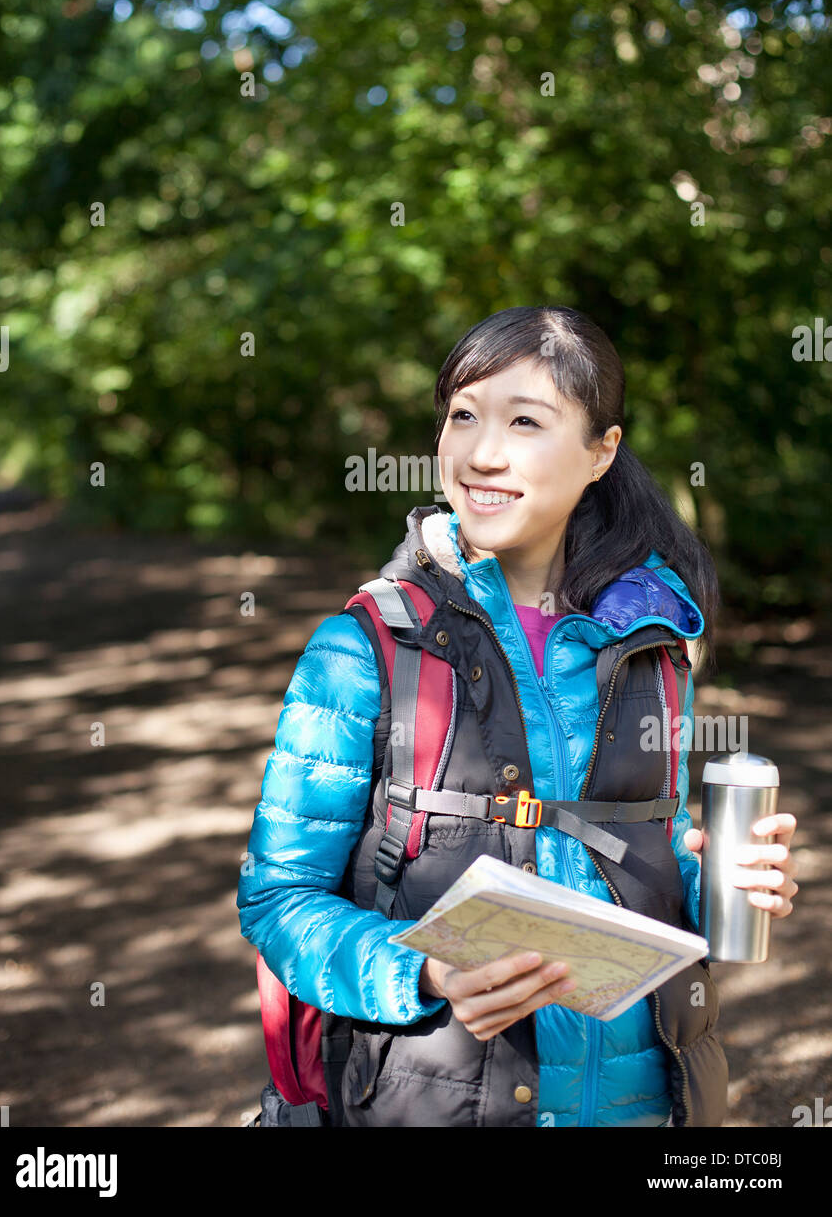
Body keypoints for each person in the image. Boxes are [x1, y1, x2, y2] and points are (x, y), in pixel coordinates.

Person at [237, 304, 799, 1127]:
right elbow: (279, 898)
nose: (481, 452)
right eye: (462, 416)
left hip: (646, 1103)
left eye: (525, 421)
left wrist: (721, 887)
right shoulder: (366, 646)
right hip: (435, 1100)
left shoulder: (654, 640)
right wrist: (424, 970)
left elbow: (646, 861)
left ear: (601, 453)